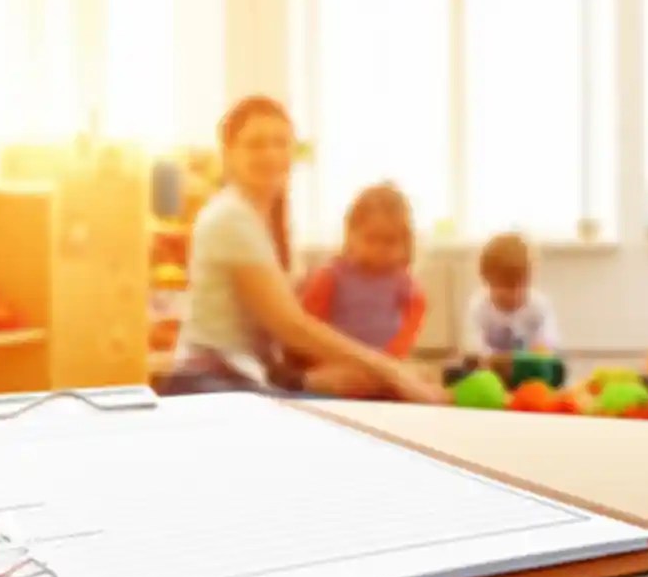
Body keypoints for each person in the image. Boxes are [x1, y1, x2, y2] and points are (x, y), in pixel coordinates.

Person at [163, 96, 445, 403]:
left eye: (280, 143)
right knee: (364, 404)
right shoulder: (230, 218)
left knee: (382, 387)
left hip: (250, 373)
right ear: (228, 154)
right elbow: (290, 326)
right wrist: (388, 369)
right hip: (211, 379)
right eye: (255, 144)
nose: (270, 153)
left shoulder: (268, 218)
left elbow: (278, 337)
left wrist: (323, 374)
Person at [299, 182, 426, 358]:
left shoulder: (402, 281)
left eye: (390, 241)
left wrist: (395, 353)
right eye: (371, 239)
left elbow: (414, 314)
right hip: (338, 358)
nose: (380, 249)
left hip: (385, 359)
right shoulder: (333, 275)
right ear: (351, 235)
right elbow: (310, 321)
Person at [463, 233, 560, 356]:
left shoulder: (539, 306)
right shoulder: (479, 306)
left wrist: (540, 352)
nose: (513, 295)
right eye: (505, 286)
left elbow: (549, 346)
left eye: (520, 286)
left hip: (531, 370)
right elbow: (473, 349)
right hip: (490, 370)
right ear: (486, 281)